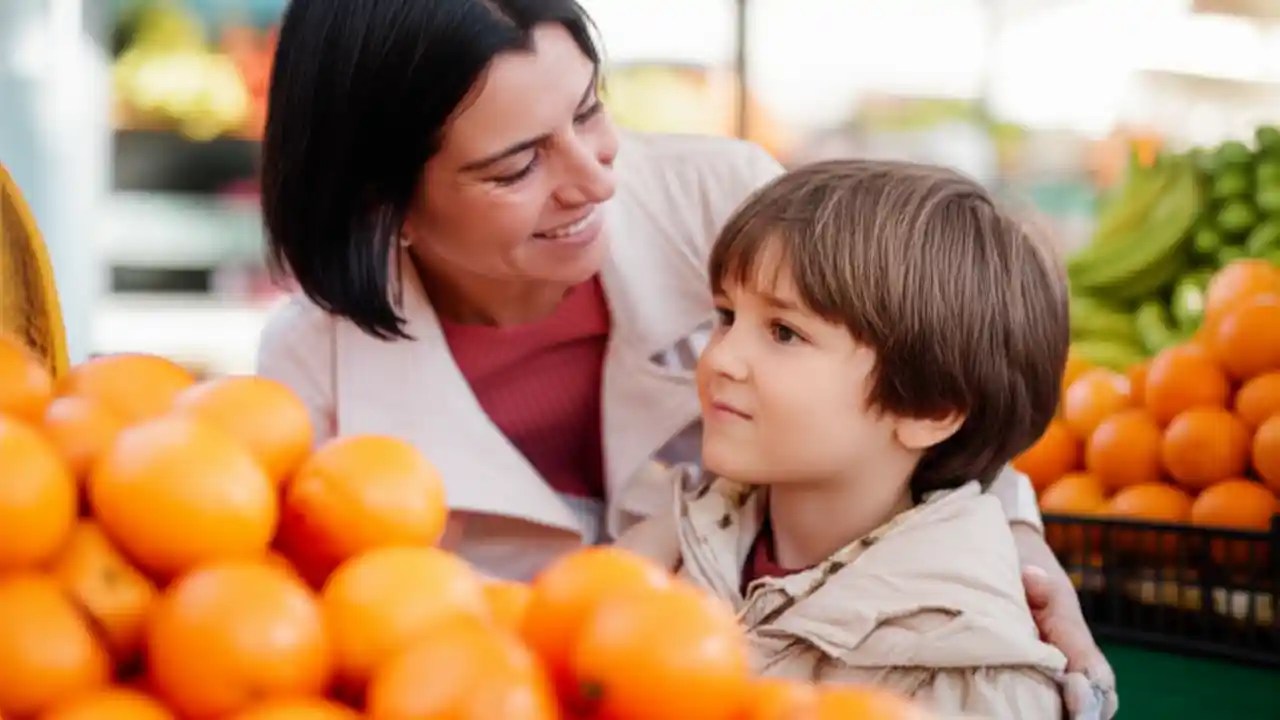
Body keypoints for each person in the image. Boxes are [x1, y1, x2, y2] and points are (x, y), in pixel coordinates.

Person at [254, 0, 1113, 695]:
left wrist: (1013, 550)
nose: (595, 181)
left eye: (589, 109)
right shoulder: (309, 372)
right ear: (383, 199)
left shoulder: (728, 201)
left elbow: (923, 368)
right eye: (516, 168)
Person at [617, 159, 1116, 718]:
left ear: (930, 408)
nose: (721, 358)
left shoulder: (975, 678)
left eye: (784, 332)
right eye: (728, 315)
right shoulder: (671, 552)